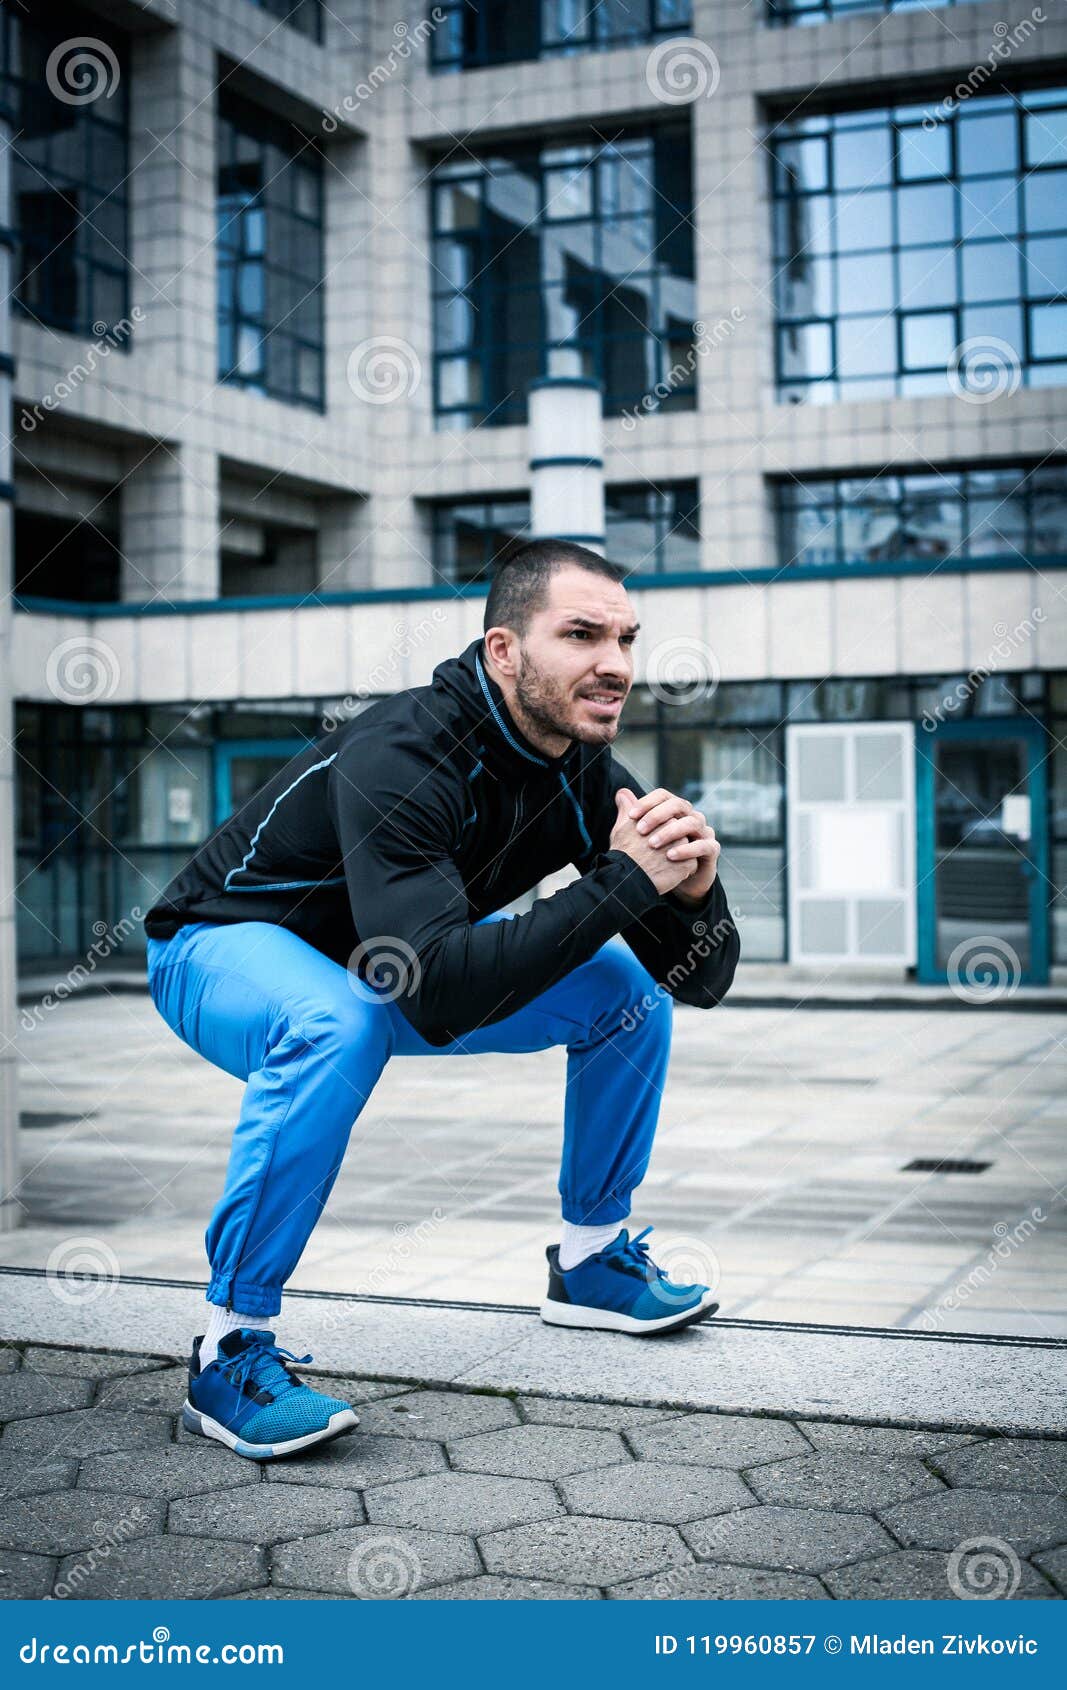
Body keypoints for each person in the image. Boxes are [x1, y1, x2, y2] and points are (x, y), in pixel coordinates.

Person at [143, 541, 741, 1460]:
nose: (615, 663)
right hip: (216, 948)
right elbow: (435, 997)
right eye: (581, 635)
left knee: (625, 994)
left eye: (625, 638)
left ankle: (590, 1260)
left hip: (382, 970)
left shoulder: (584, 771)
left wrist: (694, 894)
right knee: (333, 1024)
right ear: (504, 650)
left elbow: (698, 980)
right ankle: (228, 1349)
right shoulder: (404, 752)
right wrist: (624, 882)